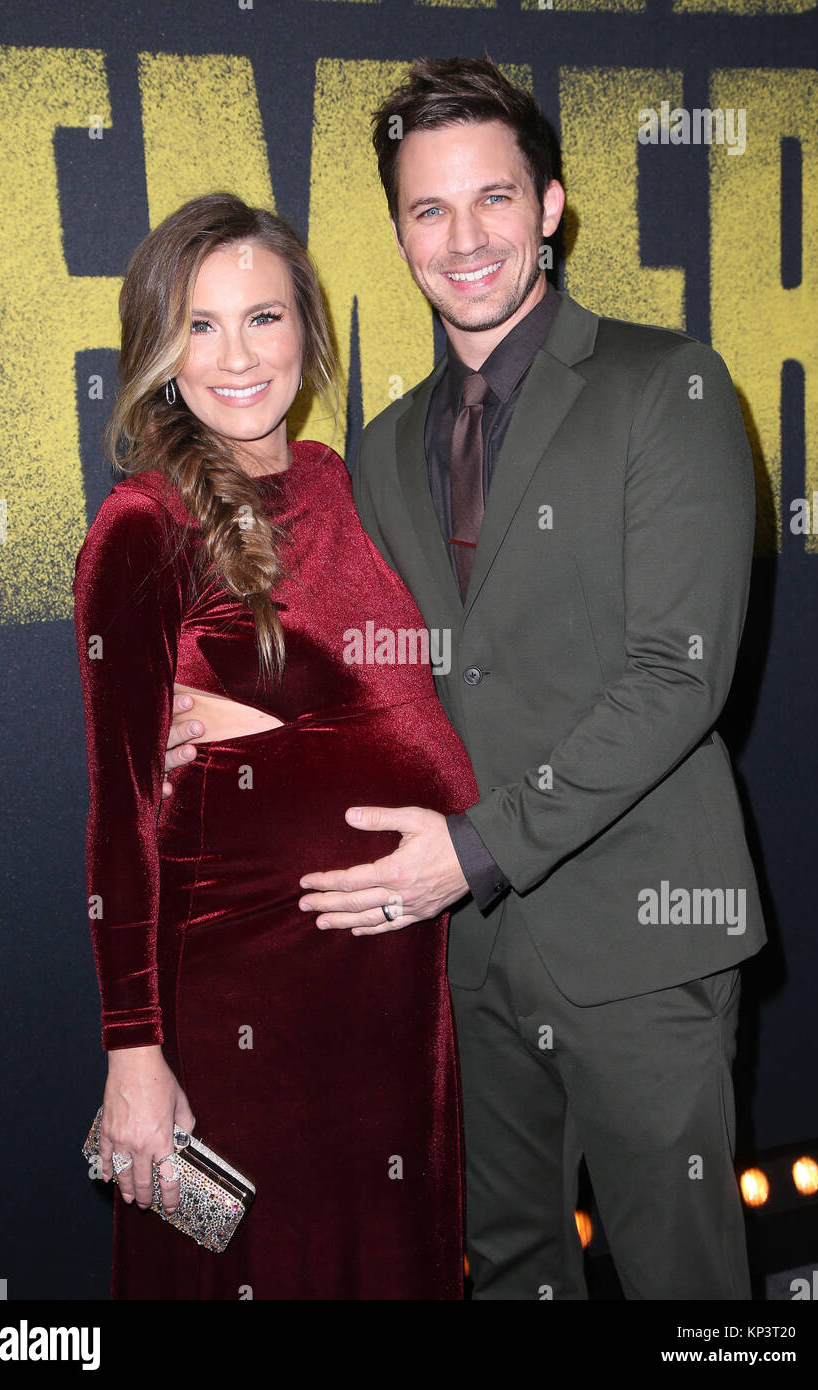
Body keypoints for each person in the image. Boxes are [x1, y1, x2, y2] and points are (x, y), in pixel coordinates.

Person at [169, 59, 767, 1300]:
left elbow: (679, 675)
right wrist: (254, 730)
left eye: (492, 198)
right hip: (464, 961)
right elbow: (381, 674)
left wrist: (477, 847)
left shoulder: (672, 387)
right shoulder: (379, 451)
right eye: (428, 211)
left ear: (550, 205)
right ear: (396, 234)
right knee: (505, 1274)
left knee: (686, 1283)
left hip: (643, 942)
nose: (464, 238)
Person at [73, 193, 480, 1300]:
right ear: (161, 351)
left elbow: (413, 715)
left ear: (310, 327)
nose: (237, 355)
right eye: (200, 326)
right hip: (244, 1009)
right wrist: (133, 1054)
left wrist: (296, 738)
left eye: (263, 317)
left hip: (391, 1007)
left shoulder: (338, 484)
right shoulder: (142, 529)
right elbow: (122, 818)